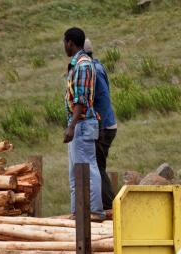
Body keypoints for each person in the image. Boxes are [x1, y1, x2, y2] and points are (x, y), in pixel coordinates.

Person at [63, 27, 104, 220]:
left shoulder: (83, 65)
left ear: (70, 42)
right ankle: (77, 211)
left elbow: (81, 99)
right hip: (78, 124)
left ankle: (94, 210)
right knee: (75, 171)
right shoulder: (78, 64)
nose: (64, 46)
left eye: (65, 42)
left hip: (82, 123)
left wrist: (72, 126)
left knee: (87, 167)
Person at [84, 38, 118, 211]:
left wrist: (98, 127)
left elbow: (98, 100)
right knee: (98, 165)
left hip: (103, 126)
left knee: (96, 167)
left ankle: (108, 206)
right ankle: (106, 204)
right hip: (107, 124)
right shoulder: (98, 66)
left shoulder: (91, 71)